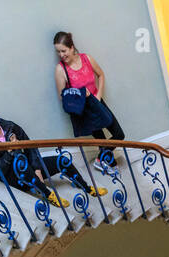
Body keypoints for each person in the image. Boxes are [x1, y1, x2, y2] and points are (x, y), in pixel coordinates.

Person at [0, 102, 106, 202]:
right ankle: (48, 194)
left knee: (62, 160)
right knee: (19, 161)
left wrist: (38, 169)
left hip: (31, 170)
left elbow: (31, 147)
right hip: (15, 179)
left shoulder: (9, 125)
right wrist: (9, 151)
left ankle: (86, 187)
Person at [53, 32, 125, 172]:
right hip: (85, 110)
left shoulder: (87, 59)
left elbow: (101, 75)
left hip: (97, 102)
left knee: (119, 134)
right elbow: (62, 96)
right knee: (101, 141)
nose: (61, 55)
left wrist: (99, 95)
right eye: (58, 52)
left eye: (64, 50)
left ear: (72, 48)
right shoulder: (60, 70)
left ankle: (100, 160)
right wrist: (80, 95)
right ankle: (108, 162)